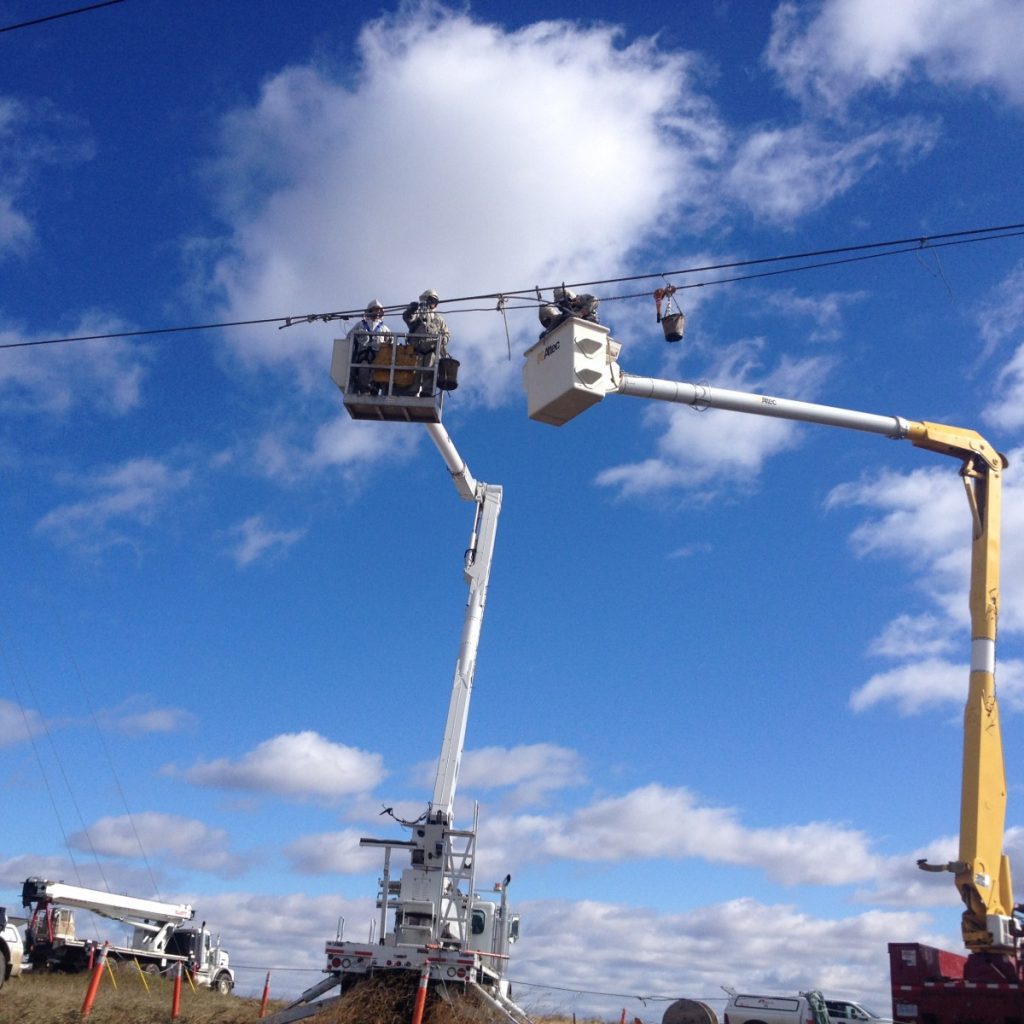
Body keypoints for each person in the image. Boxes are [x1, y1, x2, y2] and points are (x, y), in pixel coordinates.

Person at [402, 288, 449, 397]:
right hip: (416, 350)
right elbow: (408, 318)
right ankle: (412, 392)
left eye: (435, 301)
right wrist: (411, 310)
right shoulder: (418, 313)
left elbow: (446, 334)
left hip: (431, 350)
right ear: (426, 299)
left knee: (430, 372)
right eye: (431, 300)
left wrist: (443, 339)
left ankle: (427, 392)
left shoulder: (439, 319)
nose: (434, 303)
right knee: (415, 372)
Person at [347, 300, 391, 394]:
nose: (377, 312)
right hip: (364, 354)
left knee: (377, 372)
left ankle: (374, 388)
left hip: (378, 355)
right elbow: (349, 337)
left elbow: (392, 343)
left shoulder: (384, 328)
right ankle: (364, 390)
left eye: (379, 311)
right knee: (363, 371)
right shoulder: (360, 324)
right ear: (369, 311)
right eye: (374, 310)